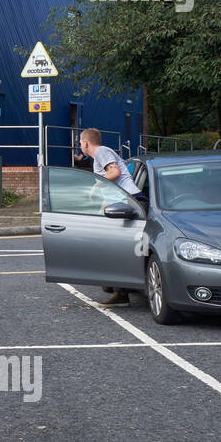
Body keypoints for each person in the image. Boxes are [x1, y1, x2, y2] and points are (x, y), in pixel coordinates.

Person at [79, 128, 146, 307]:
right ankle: (121, 291)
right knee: (118, 248)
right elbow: (110, 191)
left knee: (120, 248)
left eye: (80, 143)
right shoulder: (99, 158)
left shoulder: (101, 151)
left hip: (130, 201)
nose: (80, 147)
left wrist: (94, 187)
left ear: (86, 143)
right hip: (123, 203)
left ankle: (122, 293)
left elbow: (114, 172)